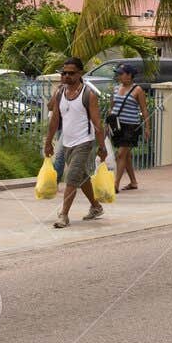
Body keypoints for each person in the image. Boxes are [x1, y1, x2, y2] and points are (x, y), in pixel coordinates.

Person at [44, 57, 107, 228]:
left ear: (80, 74)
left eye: (71, 73)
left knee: (71, 176)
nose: (66, 76)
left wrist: (102, 147)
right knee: (81, 177)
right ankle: (96, 206)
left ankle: (63, 215)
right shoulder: (59, 93)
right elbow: (54, 119)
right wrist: (49, 142)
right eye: (64, 73)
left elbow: (97, 124)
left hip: (84, 141)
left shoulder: (88, 95)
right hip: (67, 142)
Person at [108, 64, 149, 191]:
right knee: (126, 156)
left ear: (129, 75)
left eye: (121, 74)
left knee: (120, 155)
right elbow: (112, 108)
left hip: (131, 126)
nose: (119, 76)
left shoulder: (138, 90)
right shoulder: (115, 89)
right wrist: (107, 124)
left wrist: (148, 127)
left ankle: (115, 184)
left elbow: (144, 109)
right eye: (118, 74)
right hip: (117, 126)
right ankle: (133, 182)